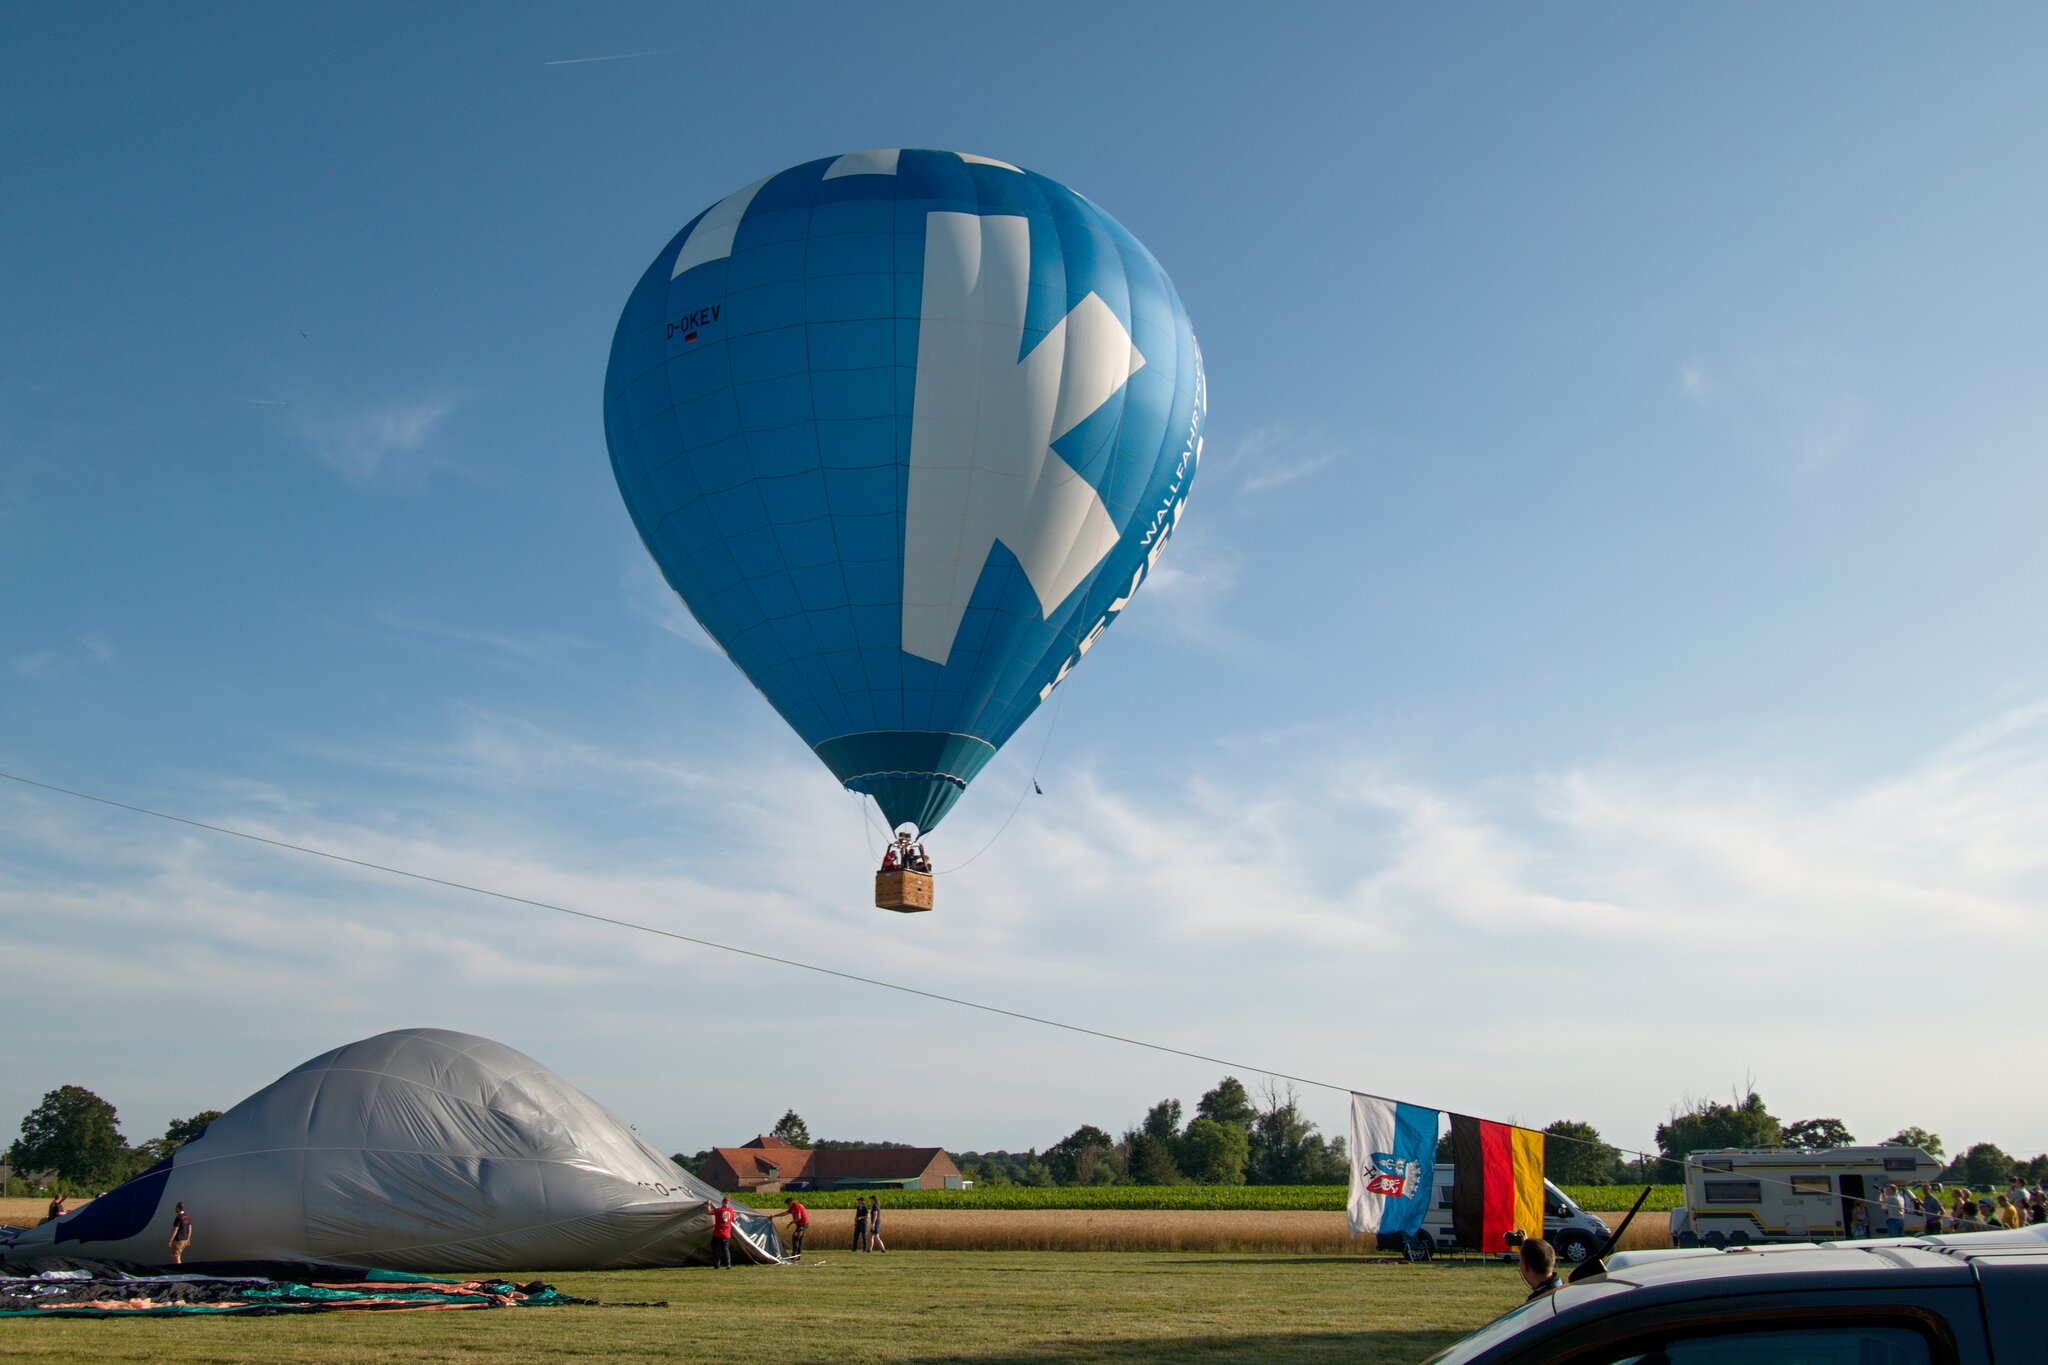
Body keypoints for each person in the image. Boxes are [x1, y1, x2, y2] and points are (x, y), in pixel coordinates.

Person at [771, 1194, 809, 1260]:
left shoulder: (796, 1206)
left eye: (787, 1204)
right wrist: (774, 1216)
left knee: (796, 1237)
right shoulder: (792, 1208)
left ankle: (794, 1255)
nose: (787, 1206)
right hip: (801, 1224)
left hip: (803, 1224)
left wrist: (790, 1223)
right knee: (799, 1239)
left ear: (790, 1202)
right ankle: (797, 1256)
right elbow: (784, 1213)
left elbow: (798, 1217)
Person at [708, 1195, 737, 1269]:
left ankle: (717, 1265)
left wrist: (709, 1204)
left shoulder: (719, 1210)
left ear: (722, 1202)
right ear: (728, 1203)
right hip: (727, 1234)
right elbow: (734, 1220)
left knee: (717, 1250)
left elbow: (709, 1212)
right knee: (726, 1250)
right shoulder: (731, 1211)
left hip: (717, 1233)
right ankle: (728, 1264)